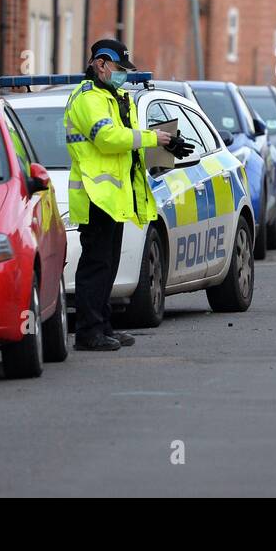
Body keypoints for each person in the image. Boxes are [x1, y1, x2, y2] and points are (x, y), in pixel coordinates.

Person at [63, 38, 194, 351]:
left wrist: (164, 144)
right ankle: (88, 333)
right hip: (96, 197)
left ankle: (104, 326)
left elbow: (131, 147)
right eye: (118, 68)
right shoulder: (87, 99)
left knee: (107, 266)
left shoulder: (117, 97)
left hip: (115, 199)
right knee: (95, 267)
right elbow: (107, 138)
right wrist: (152, 137)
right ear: (101, 64)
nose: (122, 75)